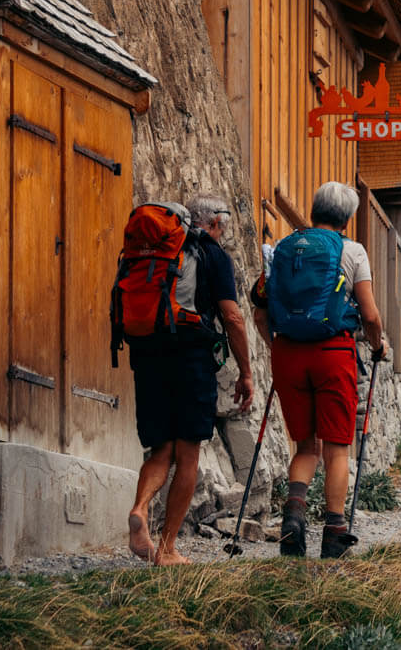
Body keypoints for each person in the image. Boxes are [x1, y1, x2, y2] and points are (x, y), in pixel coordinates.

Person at [251, 182, 390, 559]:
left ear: (314, 211)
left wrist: (275, 346)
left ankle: (292, 521)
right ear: (347, 217)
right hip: (333, 353)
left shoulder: (283, 249)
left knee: (306, 445)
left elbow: (259, 311)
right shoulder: (352, 251)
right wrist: (378, 346)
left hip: (288, 353)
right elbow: (371, 315)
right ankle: (333, 533)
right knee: (338, 448)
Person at [126, 197, 254, 566]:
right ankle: (166, 549)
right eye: (223, 227)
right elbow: (232, 317)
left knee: (160, 449)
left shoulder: (150, 253)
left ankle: (139, 508)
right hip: (190, 358)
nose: (223, 233)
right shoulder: (212, 255)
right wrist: (245, 373)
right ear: (213, 223)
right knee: (187, 454)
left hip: (148, 354)